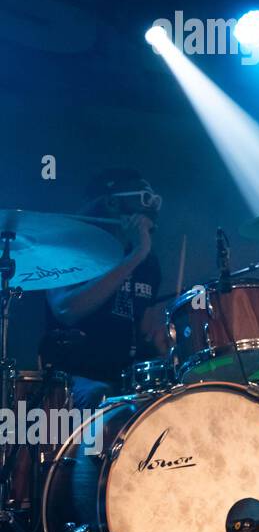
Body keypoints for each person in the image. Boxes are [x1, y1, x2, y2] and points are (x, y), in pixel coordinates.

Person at [43, 168, 166, 409]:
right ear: (112, 203)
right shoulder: (72, 250)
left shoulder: (148, 262)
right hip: (73, 378)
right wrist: (135, 255)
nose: (151, 206)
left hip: (126, 377)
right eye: (143, 198)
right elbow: (67, 309)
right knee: (99, 396)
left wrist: (167, 343)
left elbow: (146, 328)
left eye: (154, 200)